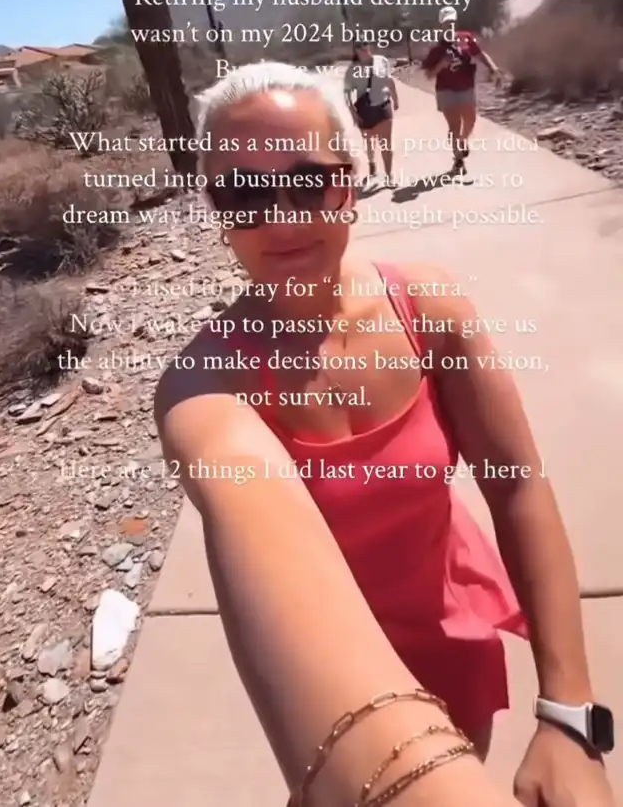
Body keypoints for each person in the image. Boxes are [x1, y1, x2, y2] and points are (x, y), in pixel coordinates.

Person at [155, 62, 616, 807]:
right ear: (216, 208)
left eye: (310, 182)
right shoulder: (205, 385)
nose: (283, 218)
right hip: (323, 694)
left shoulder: (426, 308)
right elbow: (239, 489)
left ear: (353, 177)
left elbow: (517, 485)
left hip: (453, 643)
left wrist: (569, 715)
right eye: (244, 193)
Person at [422, 6, 500, 175]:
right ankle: (458, 159)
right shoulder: (436, 48)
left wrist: (493, 68)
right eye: (446, 22)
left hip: (466, 87)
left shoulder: (466, 38)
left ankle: (462, 142)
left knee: (470, 120)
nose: (449, 25)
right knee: (454, 126)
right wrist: (441, 65)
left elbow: (480, 54)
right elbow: (428, 75)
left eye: (452, 22)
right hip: (446, 91)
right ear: (441, 25)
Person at [344, 41, 399, 189]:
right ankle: (372, 162)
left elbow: (389, 80)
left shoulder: (382, 61)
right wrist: (353, 113)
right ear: (355, 50)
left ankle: (389, 176)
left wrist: (395, 99)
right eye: (359, 45)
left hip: (383, 106)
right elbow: (347, 94)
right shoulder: (352, 70)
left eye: (365, 43)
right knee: (369, 142)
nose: (363, 47)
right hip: (365, 110)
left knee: (386, 144)